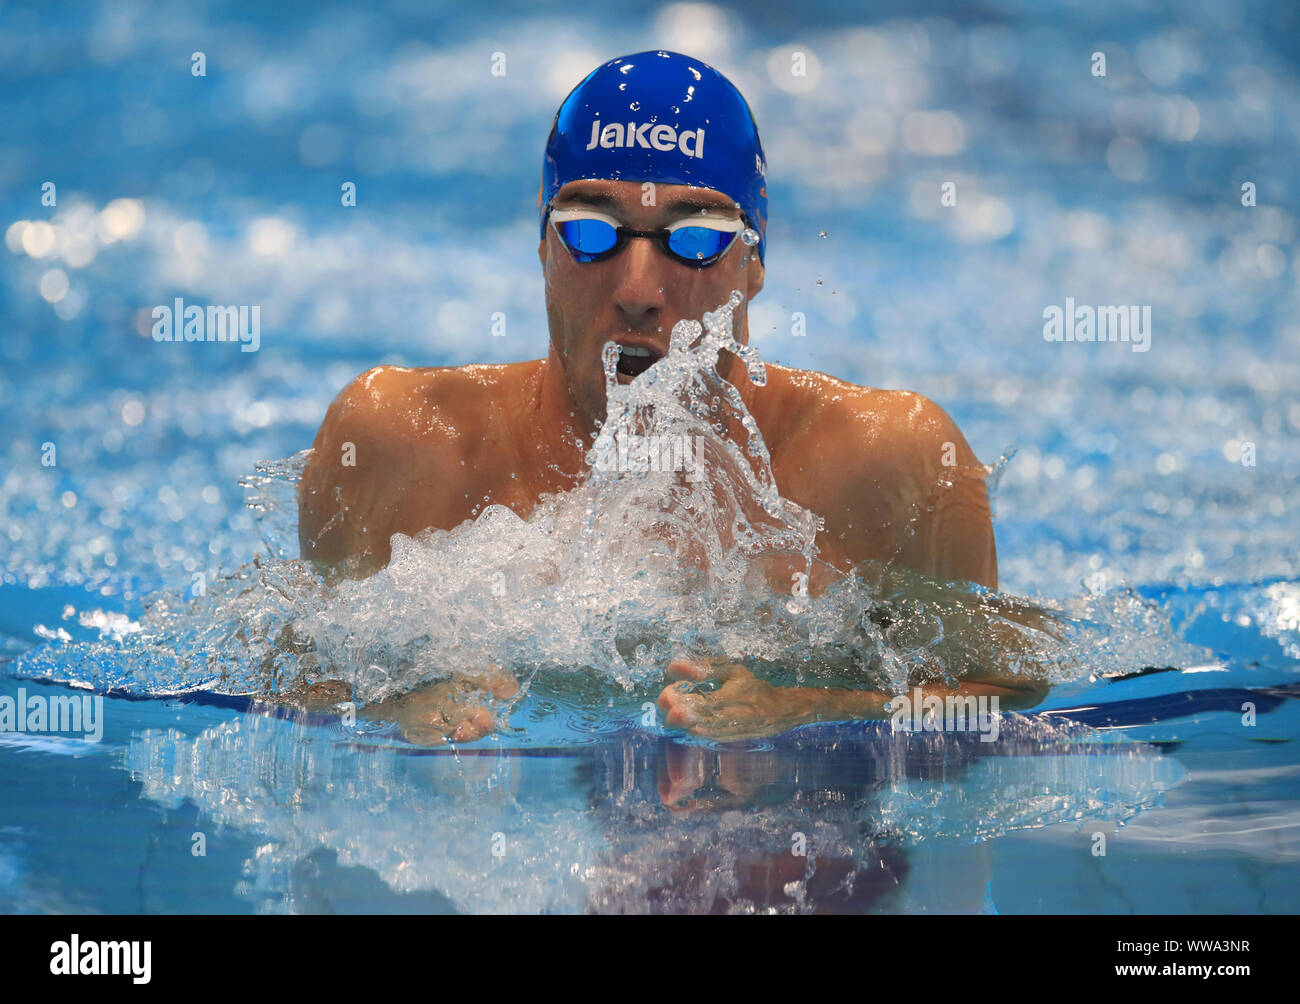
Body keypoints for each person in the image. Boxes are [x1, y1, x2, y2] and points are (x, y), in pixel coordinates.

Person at [296, 50, 1048, 743]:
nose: (637, 292)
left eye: (694, 239)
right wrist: (381, 712)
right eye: (591, 232)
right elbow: (286, 677)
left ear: (754, 263)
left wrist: (815, 712)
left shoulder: (891, 460)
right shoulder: (399, 441)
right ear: (542, 246)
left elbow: (1002, 700)